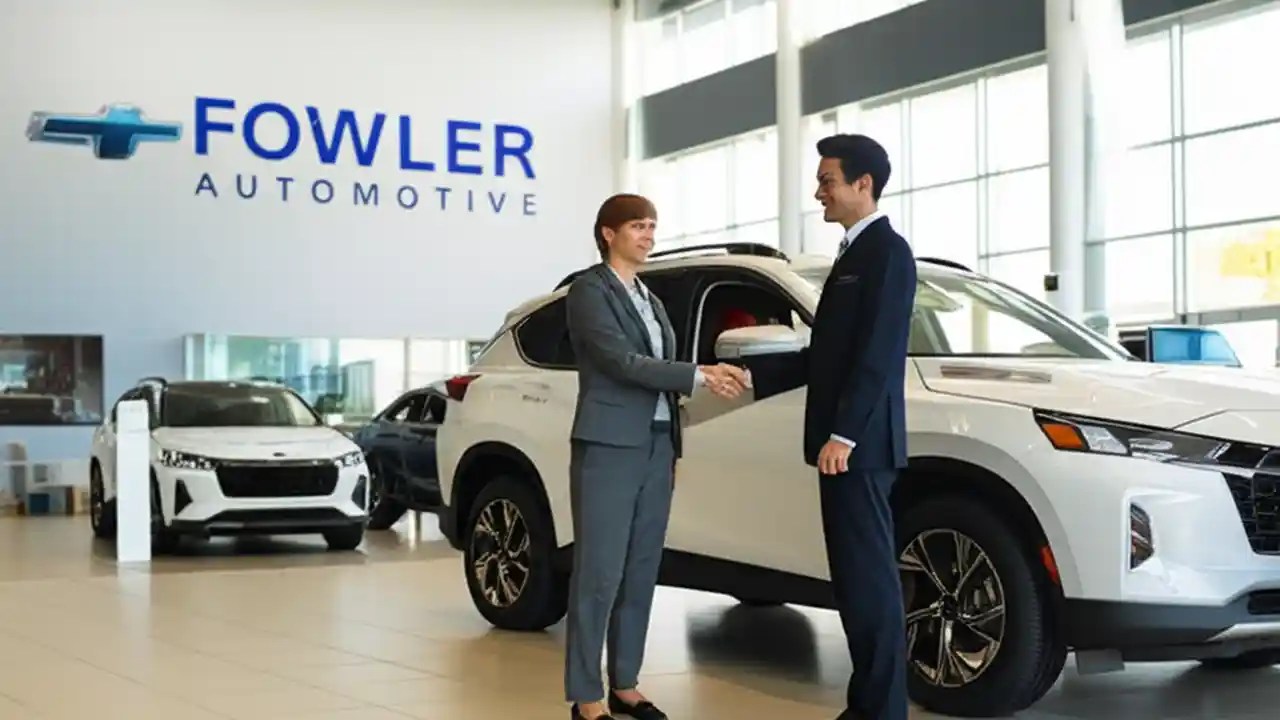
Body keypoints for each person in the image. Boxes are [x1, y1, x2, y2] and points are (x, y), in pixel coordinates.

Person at [563, 193, 750, 720]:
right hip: (608, 446)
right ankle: (585, 695)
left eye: (652, 226)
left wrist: (672, 445)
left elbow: (658, 369)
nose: (648, 235)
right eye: (638, 226)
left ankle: (625, 683)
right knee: (599, 573)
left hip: (656, 445)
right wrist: (700, 374)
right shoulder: (588, 291)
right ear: (608, 233)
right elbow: (621, 362)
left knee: (641, 569)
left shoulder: (650, 297)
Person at [752, 134, 916, 720]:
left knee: (870, 585)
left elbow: (878, 352)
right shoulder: (853, 254)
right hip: (848, 446)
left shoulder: (887, 253)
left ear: (862, 184)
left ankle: (882, 711)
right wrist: (749, 376)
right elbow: (828, 354)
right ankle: (869, 705)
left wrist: (844, 435)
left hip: (860, 450)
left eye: (827, 180)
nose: (818, 190)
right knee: (853, 583)